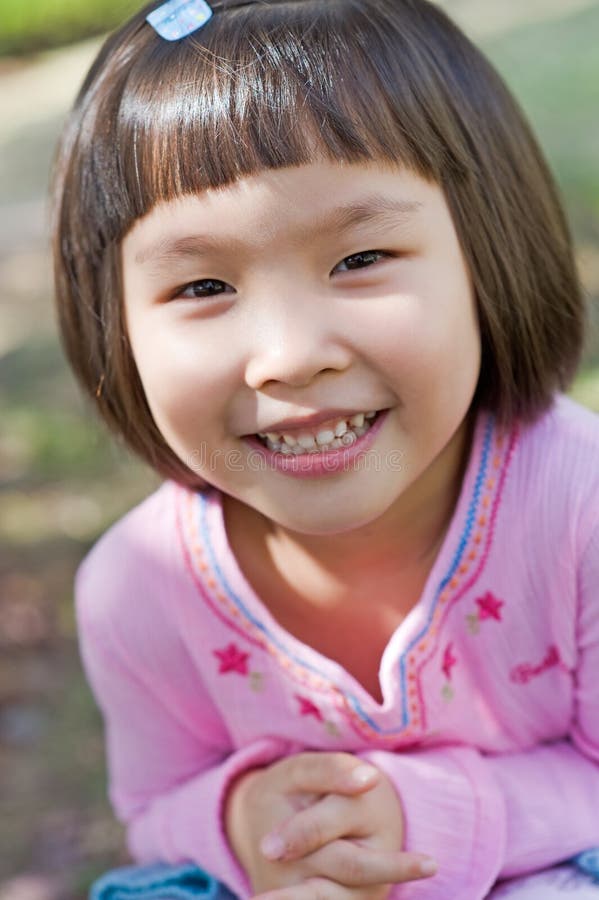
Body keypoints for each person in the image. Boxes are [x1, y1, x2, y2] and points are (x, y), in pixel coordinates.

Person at [51, 0, 599, 897]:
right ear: (115, 325)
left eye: (359, 260)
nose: (291, 354)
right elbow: (152, 815)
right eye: (201, 284)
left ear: (485, 253)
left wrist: (422, 815)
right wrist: (241, 820)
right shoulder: (140, 588)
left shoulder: (575, 506)